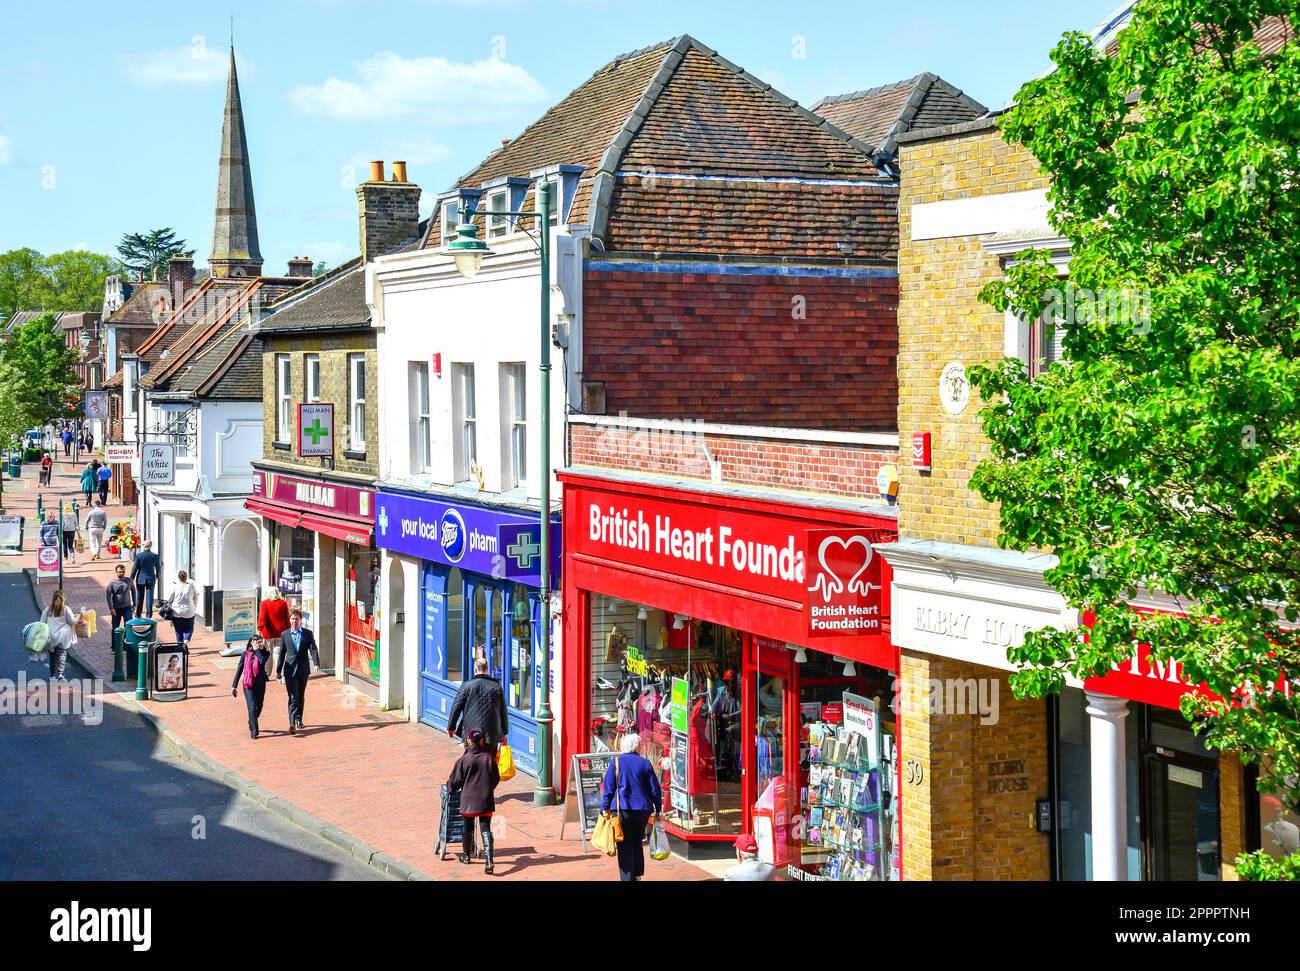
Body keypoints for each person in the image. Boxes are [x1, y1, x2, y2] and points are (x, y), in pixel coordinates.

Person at [599, 732, 663, 882]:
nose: (641, 747)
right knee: (637, 841)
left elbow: (609, 788)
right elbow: (655, 788)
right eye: (640, 745)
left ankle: (627, 877)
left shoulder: (616, 762)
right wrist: (658, 808)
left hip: (622, 810)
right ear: (635, 746)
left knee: (624, 844)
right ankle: (637, 874)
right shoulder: (645, 763)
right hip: (642, 810)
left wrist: (605, 808)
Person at [447, 728, 501, 874]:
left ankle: (466, 855)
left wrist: (449, 788)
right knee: (486, 829)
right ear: (482, 740)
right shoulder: (489, 759)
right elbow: (496, 778)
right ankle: (489, 861)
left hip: (468, 800)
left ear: (469, 741)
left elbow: (454, 782)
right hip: (485, 801)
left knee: (467, 827)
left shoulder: (463, 760)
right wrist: (488, 789)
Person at [447, 653, 509, 758]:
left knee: (471, 759)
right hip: (492, 733)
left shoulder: (467, 686)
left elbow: (456, 707)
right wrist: (505, 732)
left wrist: (451, 727)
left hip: (471, 733)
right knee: (490, 763)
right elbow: (503, 711)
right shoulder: (497, 686)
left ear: (475, 669)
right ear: (487, 670)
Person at [275, 608, 320, 735]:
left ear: (301, 620)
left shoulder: (307, 633)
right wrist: (278, 671)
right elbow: (282, 653)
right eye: (292, 619)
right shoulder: (285, 634)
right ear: (289, 620)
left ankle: (299, 718)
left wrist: (316, 664)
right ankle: (292, 723)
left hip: (303, 670)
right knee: (293, 697)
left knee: (300, 695)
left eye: (297, 619)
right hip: (289, 670)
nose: (294, 621)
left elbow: (313, 650)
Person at [231, 634, 272, 739]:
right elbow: (239, 669)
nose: (257, 644)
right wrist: (234, 686)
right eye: (255, 642)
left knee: (259, 706)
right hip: (248, 684)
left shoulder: (265, 653)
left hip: (260, 683)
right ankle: (254, 731)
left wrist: (257, 650)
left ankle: (252, 720)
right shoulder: (245, 654)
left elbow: (262, 661)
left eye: (259, 642)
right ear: (251, 643)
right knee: (252, 706)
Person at [41, 589, 79, 682]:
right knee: (62, 654)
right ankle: (61, 674)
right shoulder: (66, 609)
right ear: (63, 599)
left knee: (52, 656)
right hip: (63, 636)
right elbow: (72, 621)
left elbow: (42, 622)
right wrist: (79, 616)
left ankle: (52, 675)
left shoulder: (47, 610)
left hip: (51, 636)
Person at [164, 570, 199, 644]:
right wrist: (194, 607)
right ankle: (186, 639)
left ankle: (180, 647)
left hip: (177, 612)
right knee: (189, 628)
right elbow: (196, 597)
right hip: (189, 611)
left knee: (178, 631)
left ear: (179, 578)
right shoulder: (191, 586)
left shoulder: (175, 586)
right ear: (186, 577)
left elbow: (170, 599)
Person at [130, 539, 160, 617]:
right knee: (150, 597)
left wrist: (131, 579)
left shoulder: (139, 556)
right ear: (150, 546)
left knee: (139, 596)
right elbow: (158, 567)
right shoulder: (155, 556)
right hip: (151, 578)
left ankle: (138, 614)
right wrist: (157, 575)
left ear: (144, 546)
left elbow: (135, 568)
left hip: (141, 578)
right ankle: (149, 615)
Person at [106, 563, 134, 630]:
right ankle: (115, 640)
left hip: (127, 607)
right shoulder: (112, 583)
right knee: (115, 627)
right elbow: (108, 595)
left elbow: (133, 591)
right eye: (119, 572)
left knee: (128, 626)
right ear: (116, 572)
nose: (121, 573)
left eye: (123, 572)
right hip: (116, 608)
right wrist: (111, 608)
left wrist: (134, 603)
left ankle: (126, 640)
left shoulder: (129, 581)